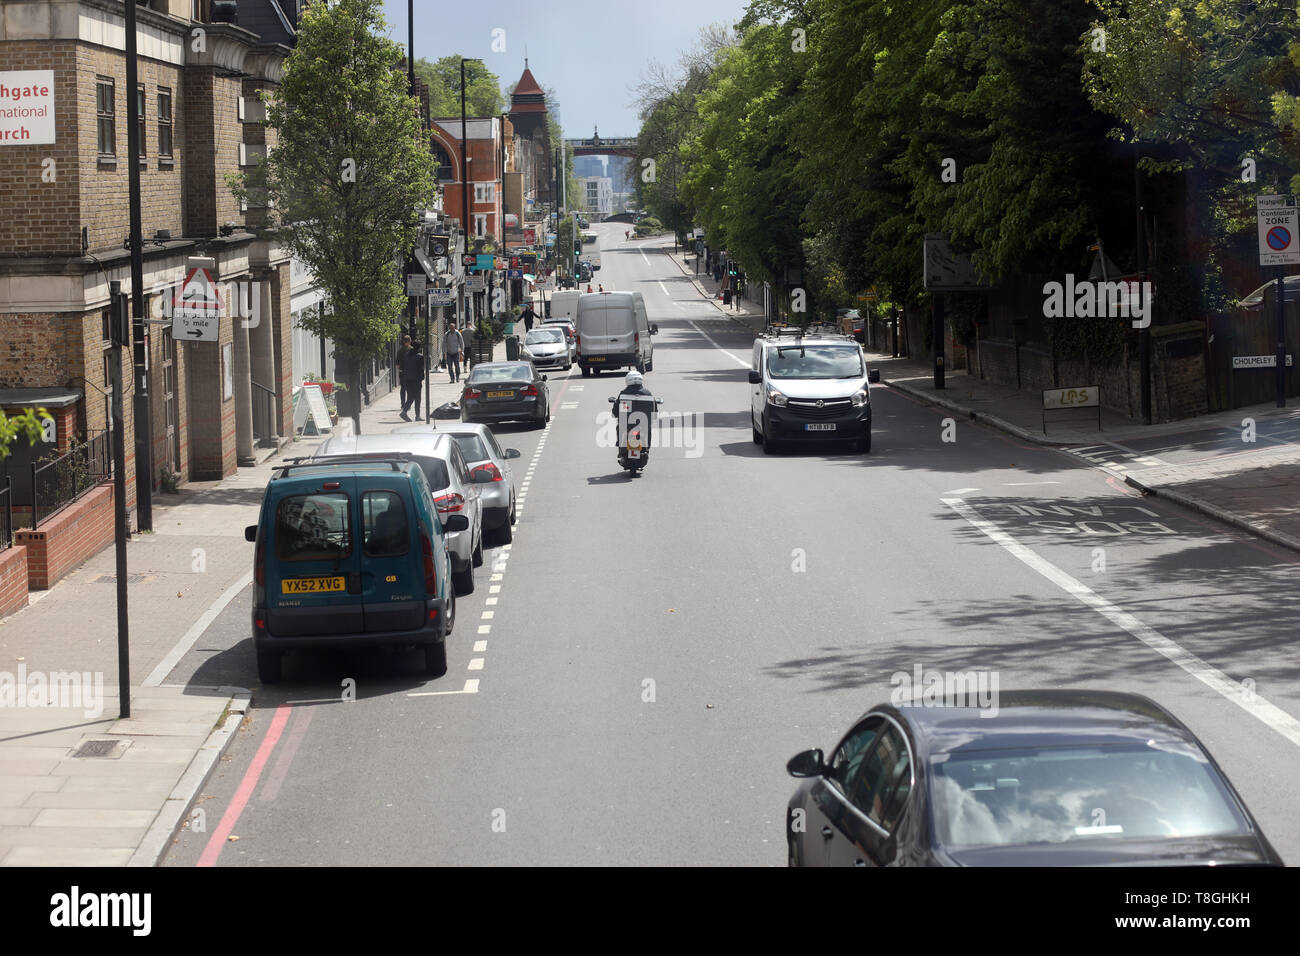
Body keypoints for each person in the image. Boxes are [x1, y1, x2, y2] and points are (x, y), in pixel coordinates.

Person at [399, 340, 424, 421]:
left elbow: (402, 367)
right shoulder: (420, 356)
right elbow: (421, 369)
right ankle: (417, 416)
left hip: (407, 379)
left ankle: (405, 412)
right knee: (417, 398)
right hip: (416, 380)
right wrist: (421, 378)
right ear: (419, 348)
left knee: (411, 397)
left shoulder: (406, 355)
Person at [396, 333, 412, 411]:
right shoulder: (412, 349)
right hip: (410, 372)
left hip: (402, 372)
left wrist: (400, 370)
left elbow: (397, 364)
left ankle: (403, 404)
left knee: (403, 389)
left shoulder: (400, 351)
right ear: (409, 341)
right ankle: (408, 404)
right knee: (409, 389)